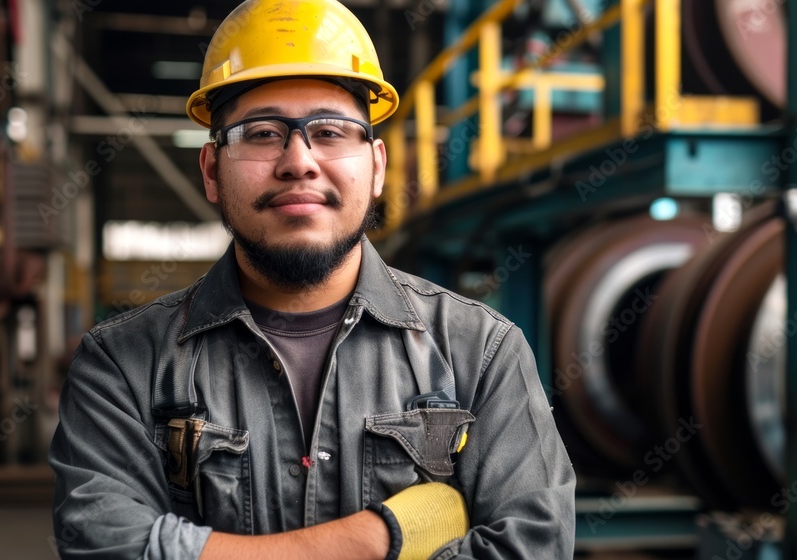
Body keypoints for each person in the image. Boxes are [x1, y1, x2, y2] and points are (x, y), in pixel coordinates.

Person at [48, 0, 576, 558]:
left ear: (376, 167)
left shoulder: (480, 353)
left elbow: (532, 545)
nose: (298, 161)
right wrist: (379, 539)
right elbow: (102, 545)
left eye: (329, 131)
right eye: (261, 133)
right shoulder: (124, 365)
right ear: (210, 170)